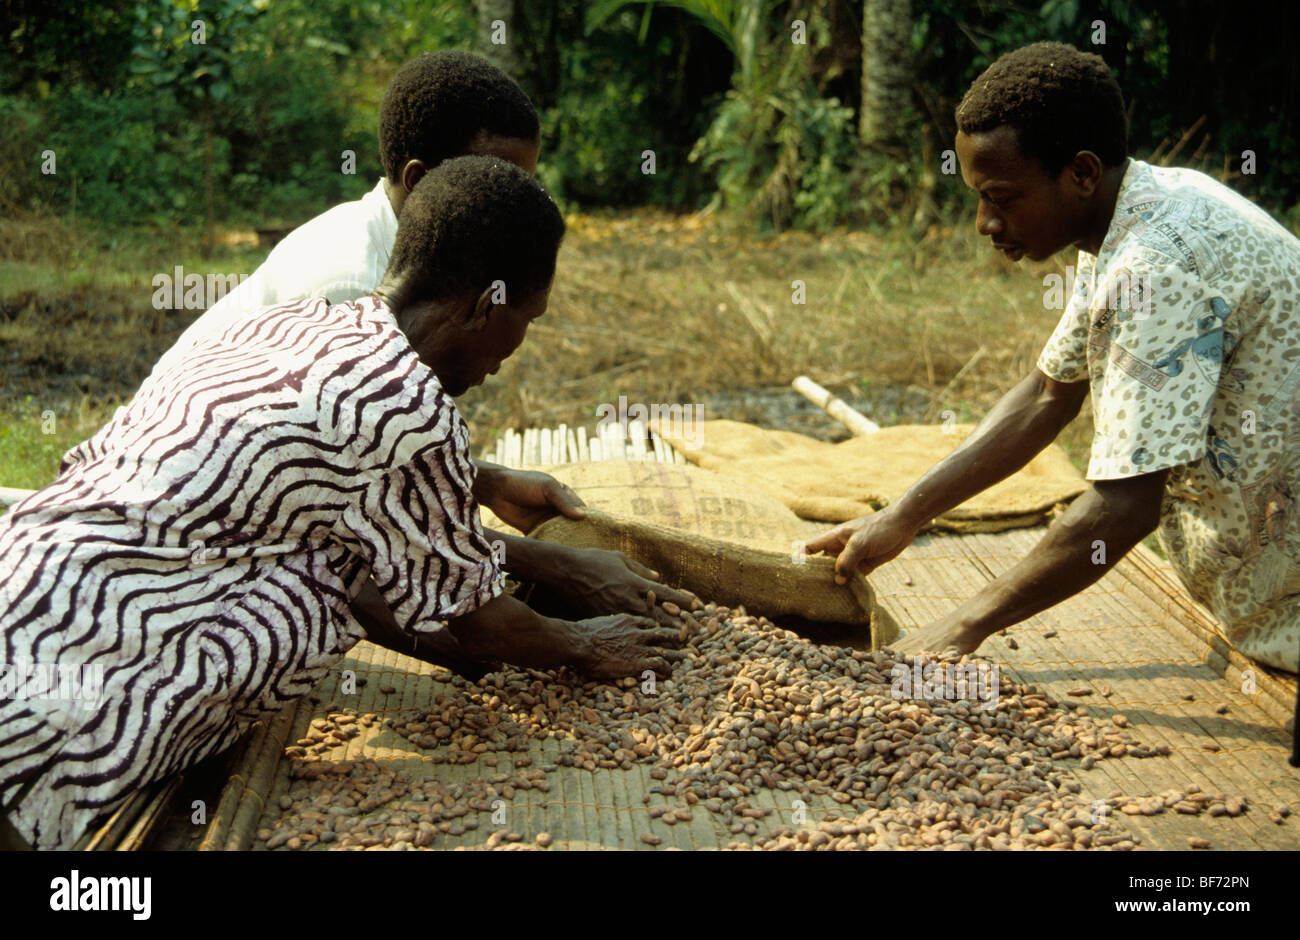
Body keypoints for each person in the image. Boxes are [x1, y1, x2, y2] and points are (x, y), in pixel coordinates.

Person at [0, 156, 683, 850]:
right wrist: (584, 645)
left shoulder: (295, 326)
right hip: (73, 677)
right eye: (527, 320)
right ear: (487, 304)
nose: (512, 353)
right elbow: (481, 625)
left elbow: (313, 479)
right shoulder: (410, 411)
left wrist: (476, 483)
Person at [154, 49, 693, 643]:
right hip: (186, 560)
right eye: (497, 178)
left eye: (525, 183)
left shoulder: (398, 272)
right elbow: (358, 529)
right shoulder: (347, 286)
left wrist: (479, 481)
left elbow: (345, 469)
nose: (519, 204)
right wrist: (559, 592)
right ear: (419, 182)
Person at [807, 41, 1300, 676]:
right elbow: (1047, 395)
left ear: (1083, 173)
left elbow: (1126, 506)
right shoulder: (1143, 211)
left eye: (1003, 198)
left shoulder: (1155, 267)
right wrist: (902, 516)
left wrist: (966, 622)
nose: (984, 222)